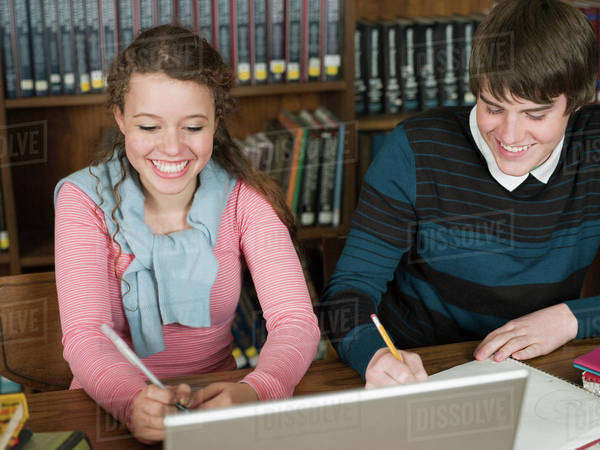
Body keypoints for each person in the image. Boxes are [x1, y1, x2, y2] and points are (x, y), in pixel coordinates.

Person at [54, 25, 319, 443]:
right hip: (107, 413)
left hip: (216, 409)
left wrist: (258, 389)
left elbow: (295, 322)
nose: (173, 149)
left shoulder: (244, 199)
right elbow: (85, 335)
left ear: (216, 122)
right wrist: (131, 401)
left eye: (193, 127)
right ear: (121, 119)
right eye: (149, 127)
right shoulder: (82, 200)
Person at [321, 0, 600, 388]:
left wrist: (570, 319)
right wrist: (374, 354)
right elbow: (348, 290)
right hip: (420, 372)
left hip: (543, 371)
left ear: (579, 103)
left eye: (535, 115)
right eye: (493, 106)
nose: (510, 135)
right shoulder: (416, 148)